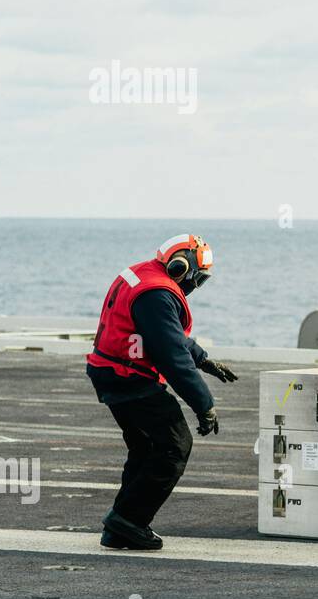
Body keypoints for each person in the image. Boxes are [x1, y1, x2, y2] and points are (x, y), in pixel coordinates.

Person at [85, 234, 238, 550]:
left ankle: (121, 525)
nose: (196, 285)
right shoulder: (156, 293)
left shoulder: (146, 276)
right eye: (199, 277)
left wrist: (205, 361)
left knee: (144, 448)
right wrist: (204, 405)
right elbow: (171, 355)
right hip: (129, 379)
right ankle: (128, 521)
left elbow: (167, 334)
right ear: (182, 266)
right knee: (173, 445)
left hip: (112, 374)